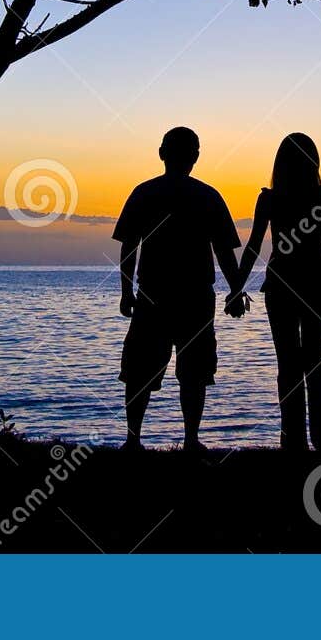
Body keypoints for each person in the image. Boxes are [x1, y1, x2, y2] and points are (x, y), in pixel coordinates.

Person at [114, 126, 245, 453]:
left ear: (162, 153)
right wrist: (235, 290)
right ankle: (189, 439)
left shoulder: (144, 193)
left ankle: (134, 439)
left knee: (142, 369)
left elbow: (129, 247)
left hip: (154, 295)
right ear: (195, 157)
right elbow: (225, 252)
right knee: (194, 372)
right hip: (193, 297)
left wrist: (126, 291)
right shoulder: (208, 195)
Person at [236, 132, 321, 451]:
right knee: (316, 362)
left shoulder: (269, 198)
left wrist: (236, 287)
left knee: (289, 365)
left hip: (281, 285)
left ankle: (292, 440)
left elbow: (254, 246)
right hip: (314, 286)